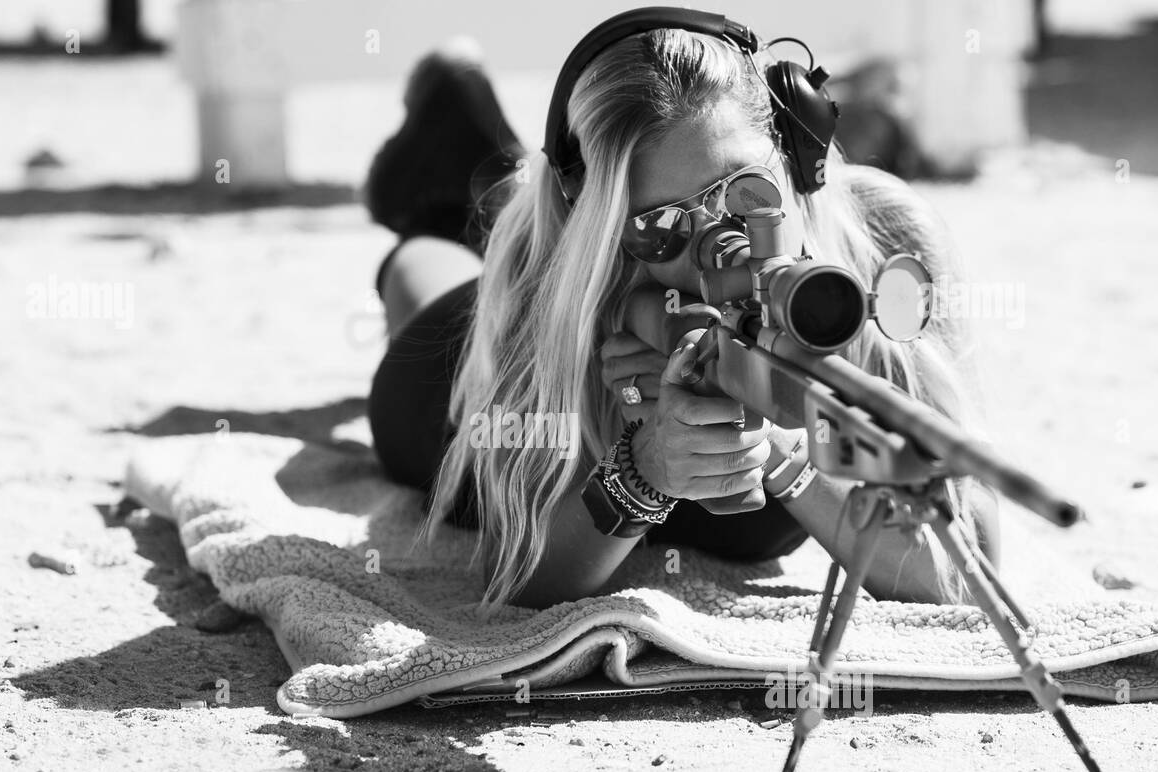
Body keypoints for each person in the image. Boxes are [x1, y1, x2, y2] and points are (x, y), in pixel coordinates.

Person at [364, 18, 999, 612]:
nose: (719, 241)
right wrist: (643, 468)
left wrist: (782, 448)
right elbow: (520, 577)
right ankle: (444, 144)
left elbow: (969, 567)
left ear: (794, 150)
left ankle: (465, 130)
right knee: (422, 256)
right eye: (659, 224)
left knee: (476, 198)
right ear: (604, 231)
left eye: (745, 190)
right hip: (441, 392)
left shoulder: (886, 244)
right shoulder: (552, 285)